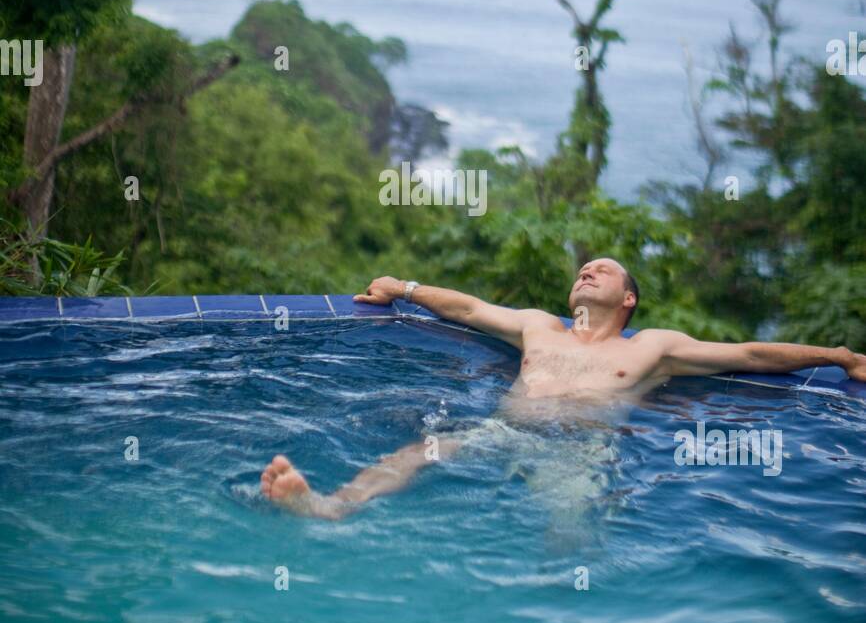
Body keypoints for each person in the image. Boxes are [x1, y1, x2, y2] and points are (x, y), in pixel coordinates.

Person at [261, 258, 866, 518]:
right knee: (417, 451)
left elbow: (752, 354)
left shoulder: (652, 348)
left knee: (569, 533)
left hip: (578, 447)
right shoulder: (539, 328)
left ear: (626, 298)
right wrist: (405, 286)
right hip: (501, 430)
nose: (587, 270)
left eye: (602, 269)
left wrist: (840, 356)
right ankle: (331, 508)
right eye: (584, 268)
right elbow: (468, 309)